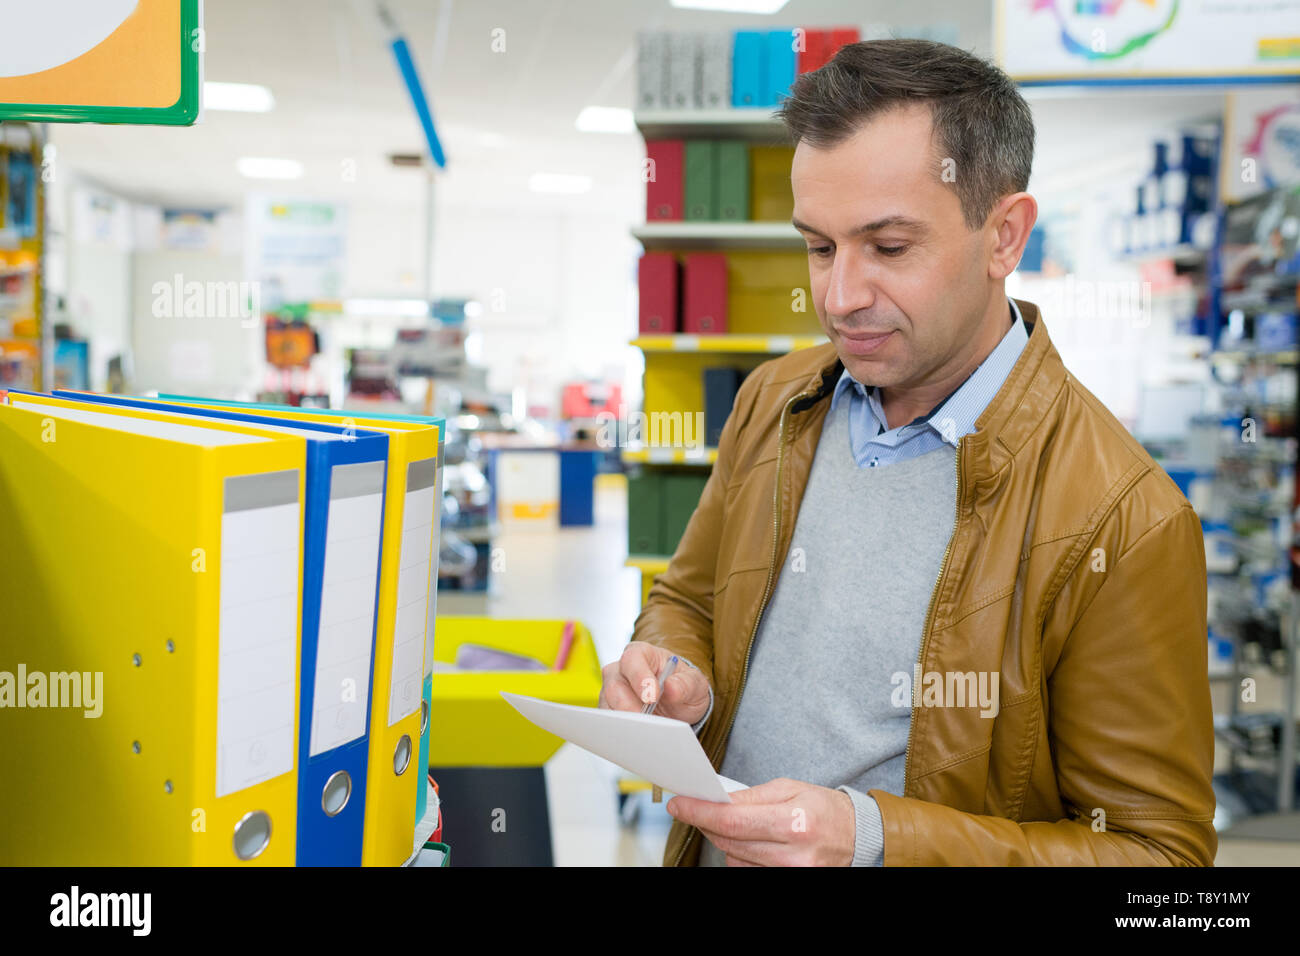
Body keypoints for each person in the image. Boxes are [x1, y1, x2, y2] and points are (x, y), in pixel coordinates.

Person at [598, 38, 1216, 867]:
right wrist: (677, 675)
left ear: (1005, 237)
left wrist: (880, 842)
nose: (840, 297)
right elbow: (694, 598)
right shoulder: (776, 399)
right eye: (819, 247)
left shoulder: (1124, 518)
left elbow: (1162, 863)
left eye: (889, 249)